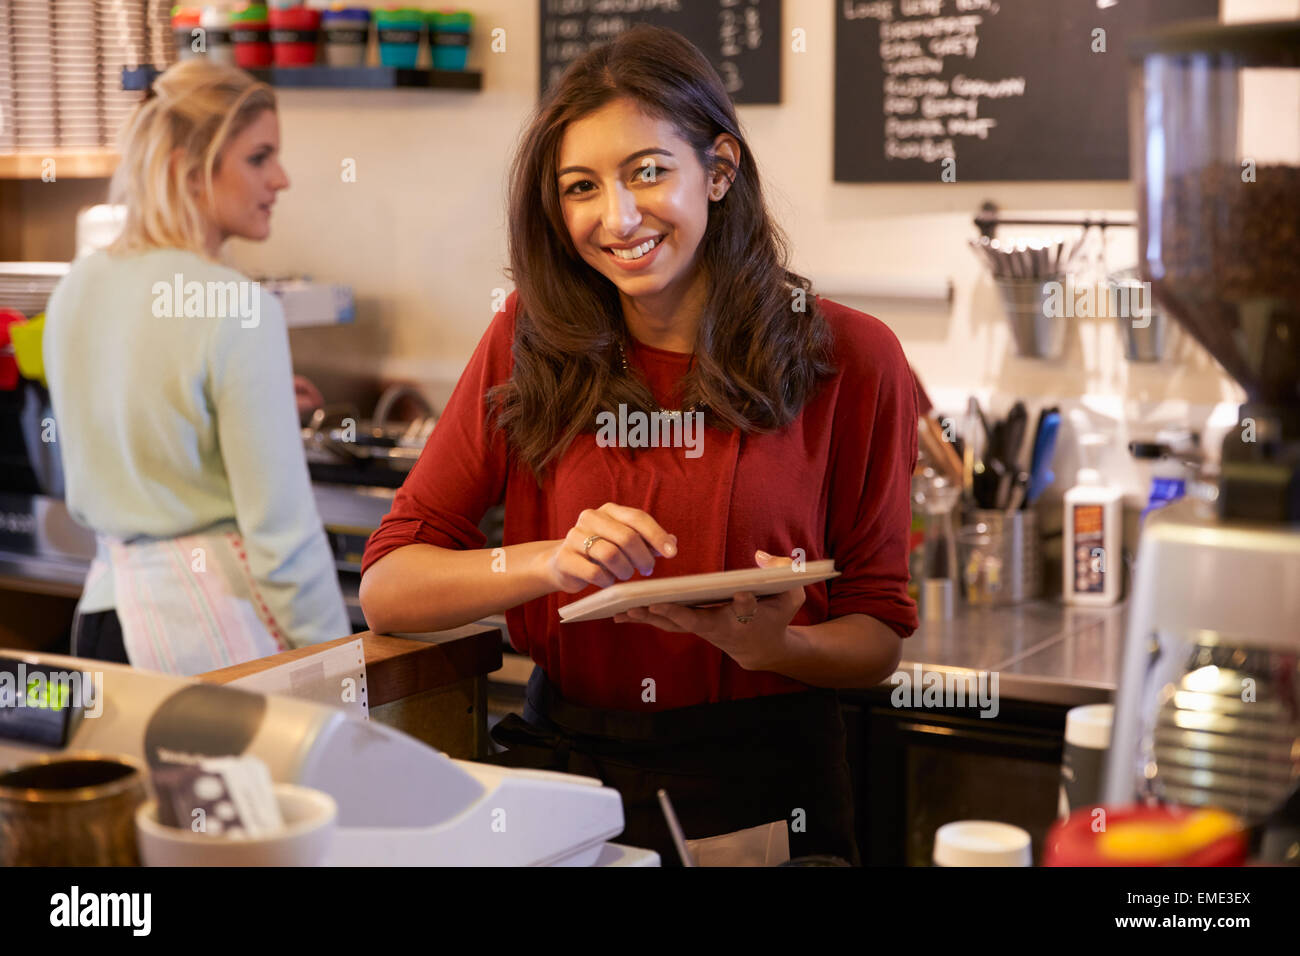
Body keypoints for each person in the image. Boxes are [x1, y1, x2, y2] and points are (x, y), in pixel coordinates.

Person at [360, 26, 918, 865]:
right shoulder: (525, 340)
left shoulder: (852, 355)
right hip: (567, 780)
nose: (616, 218)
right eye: (581, 187)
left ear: (720, 169)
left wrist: (776, 646)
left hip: (765, 787)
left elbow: (877, 634)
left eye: (648, 171)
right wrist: (548, 562)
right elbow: (388, 587)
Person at [43, 59, 349, 675]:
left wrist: (245, 404)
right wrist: (345, 670)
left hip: (102, 619)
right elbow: (282, 541)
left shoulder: (76, 287)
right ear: (191, 171)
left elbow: (134, 416)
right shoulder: (237, 307)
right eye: (259, 157)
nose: (282, 179)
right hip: (203, 631)